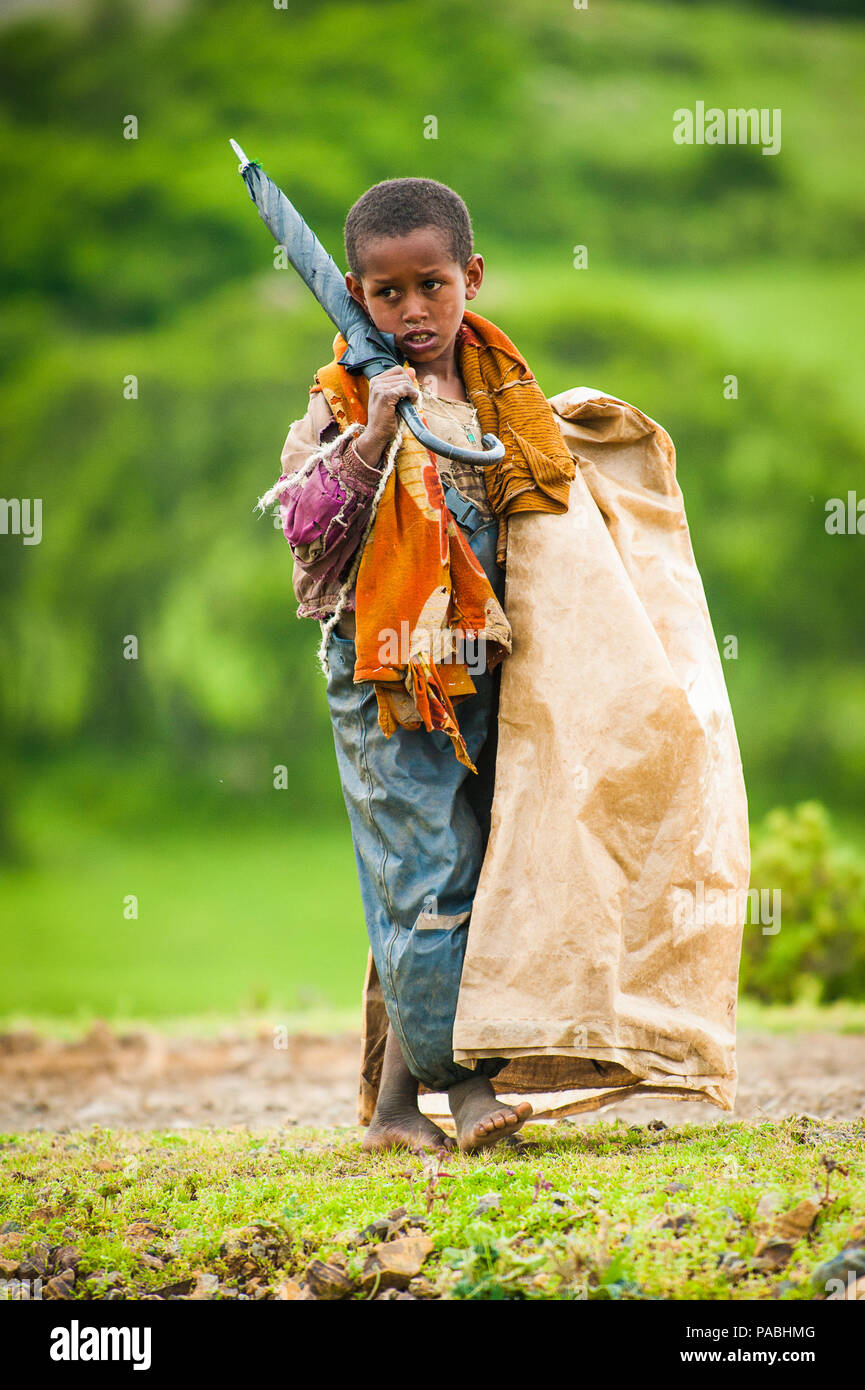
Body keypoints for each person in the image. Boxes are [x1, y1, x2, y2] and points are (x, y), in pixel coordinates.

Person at [259, 177, 578, 1153]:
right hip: (389, 680)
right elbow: (305, 529)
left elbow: (542, 511)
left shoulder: (499, 391)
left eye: (430, 286)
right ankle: (469, 1089)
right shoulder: (342, 400)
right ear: (354, 295)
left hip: (483, 670)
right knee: (428, 877)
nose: (412, 312)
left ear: (469, 278)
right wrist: (377, 433)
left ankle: (396, 1110)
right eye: (387, 293)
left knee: (464, 876)